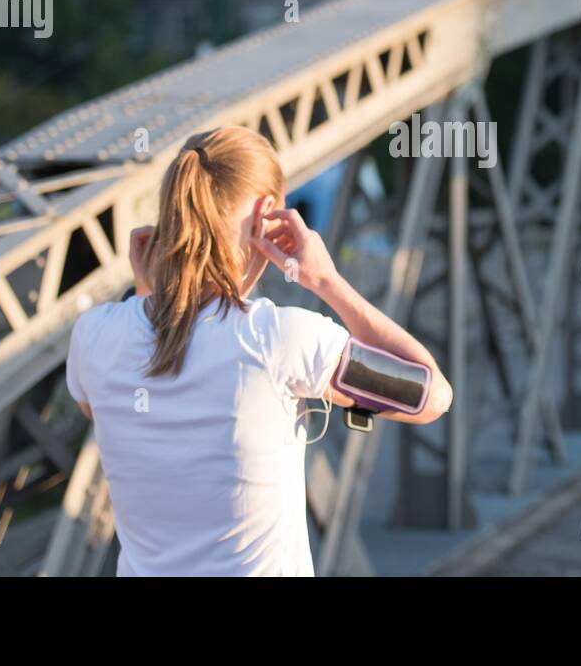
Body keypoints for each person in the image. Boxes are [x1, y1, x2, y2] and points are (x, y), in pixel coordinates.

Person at [66, 125, 453, 576]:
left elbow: (119, 409)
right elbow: (431, 397)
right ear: (267, 213)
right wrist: (326, 280)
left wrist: (147, 291)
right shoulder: (282, 338)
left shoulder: (93, 336)